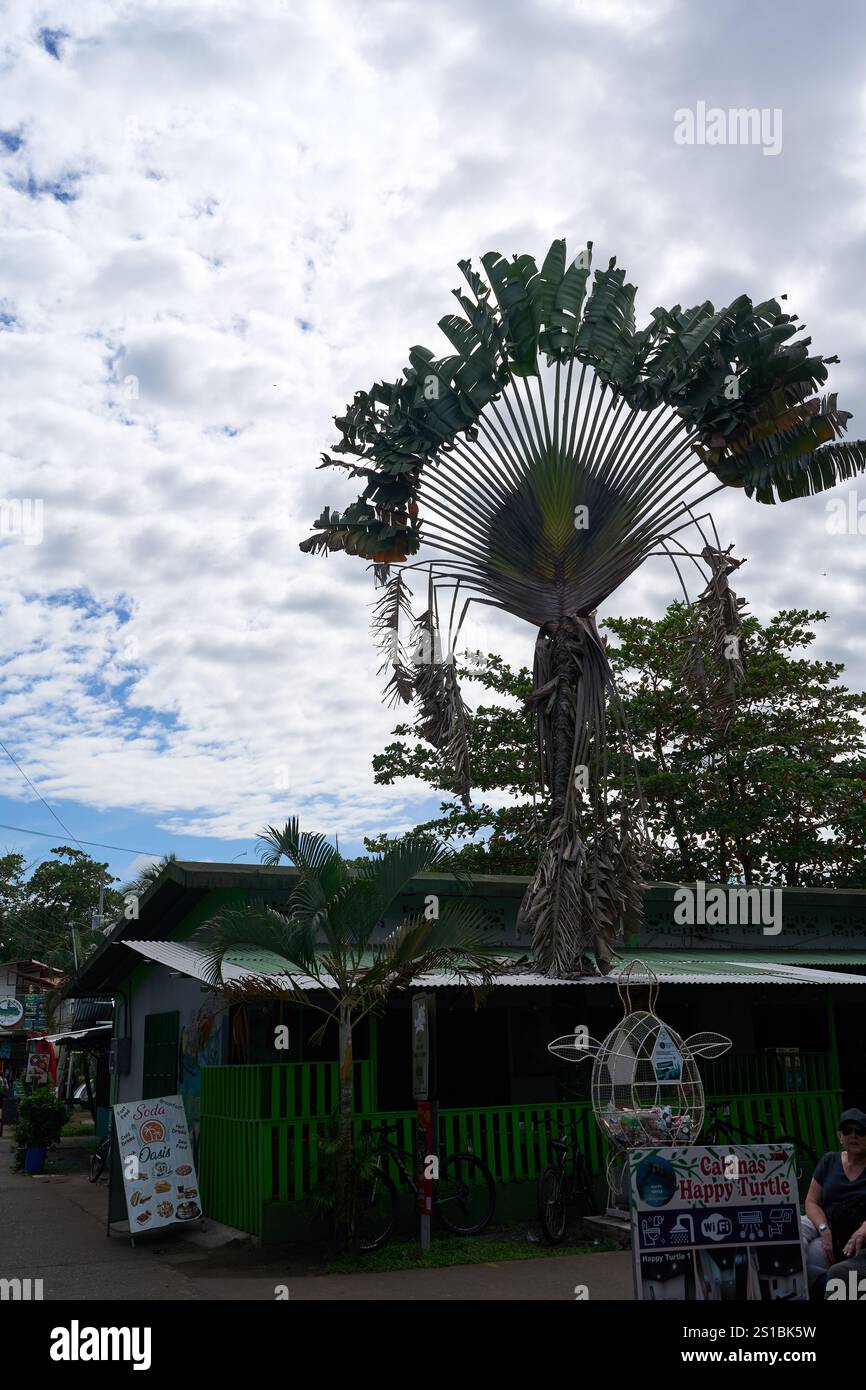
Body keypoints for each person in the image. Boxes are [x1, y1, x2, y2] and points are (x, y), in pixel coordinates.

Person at [801, 1108, 866, 1297]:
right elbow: (811, 1202)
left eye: (860, 1131)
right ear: (840, 1136)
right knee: (793, 1229)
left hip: (858, 1239)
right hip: (827, 1232)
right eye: (847, 1131)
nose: (853, 1136)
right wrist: (823, 1229)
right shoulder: (829, 1160)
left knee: (841, 1276)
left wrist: (863, 1228)